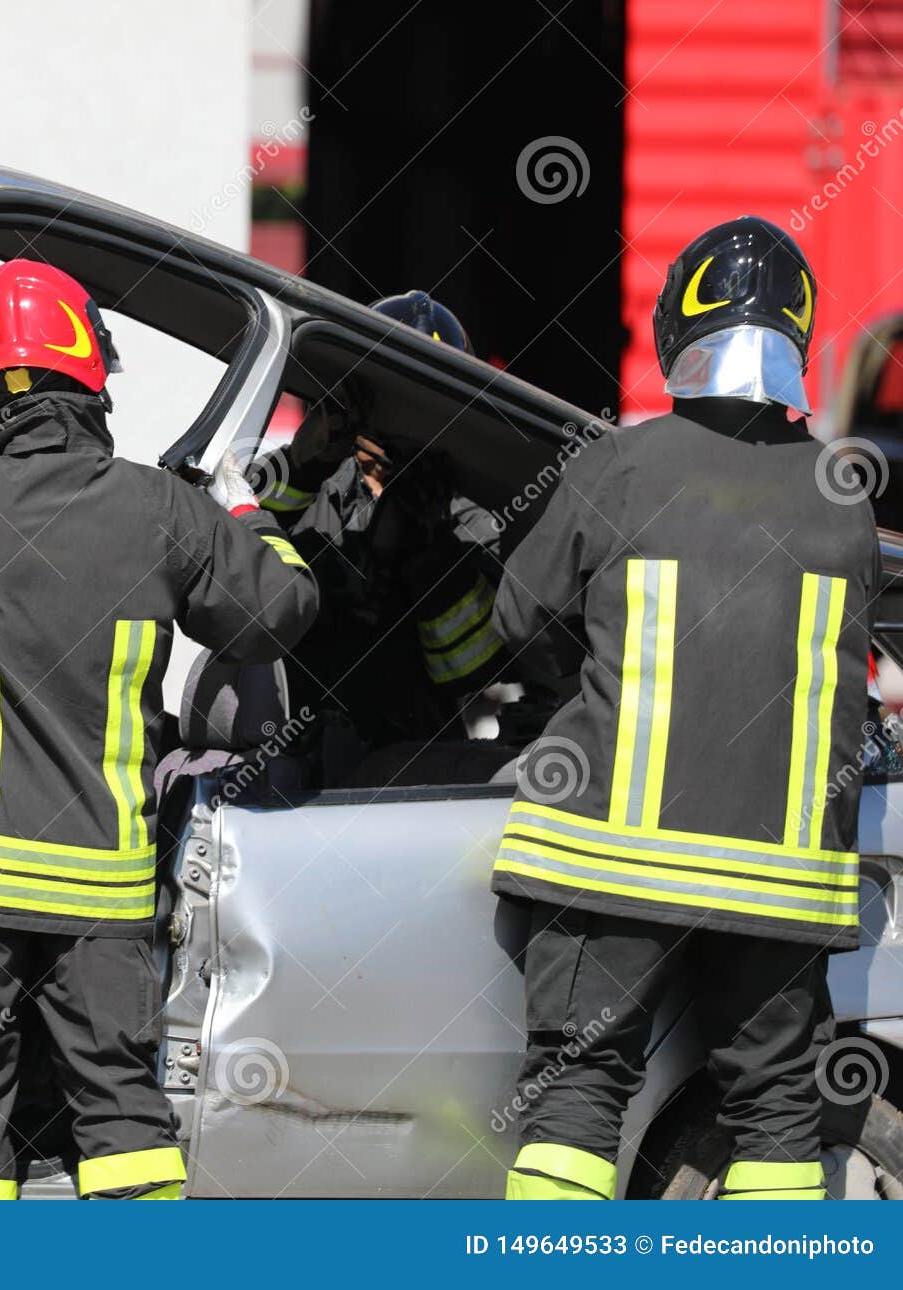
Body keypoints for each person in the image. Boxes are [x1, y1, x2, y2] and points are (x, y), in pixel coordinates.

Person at [0, 211, 318, 1198]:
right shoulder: (163, 511)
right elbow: (279, 613)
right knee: (123, 1113)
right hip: (101, 894)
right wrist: (247, 508)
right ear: (90, 372)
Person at [492, 216, 878, 1201]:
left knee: (578, 1090)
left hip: (613, 863)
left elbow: (518, 618)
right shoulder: (843, 497)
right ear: (797, 336)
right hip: (780, 883)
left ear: (676, 331)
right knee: (779, 1109)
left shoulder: (620, 465)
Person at [253, 292, 504, 781]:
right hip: (284, 763)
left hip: (405, 778)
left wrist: (427, 553)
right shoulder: (309, 483)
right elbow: (226, 551)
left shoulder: (471, 518)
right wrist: (305, 465)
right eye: (391, 399)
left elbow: (471, 674)